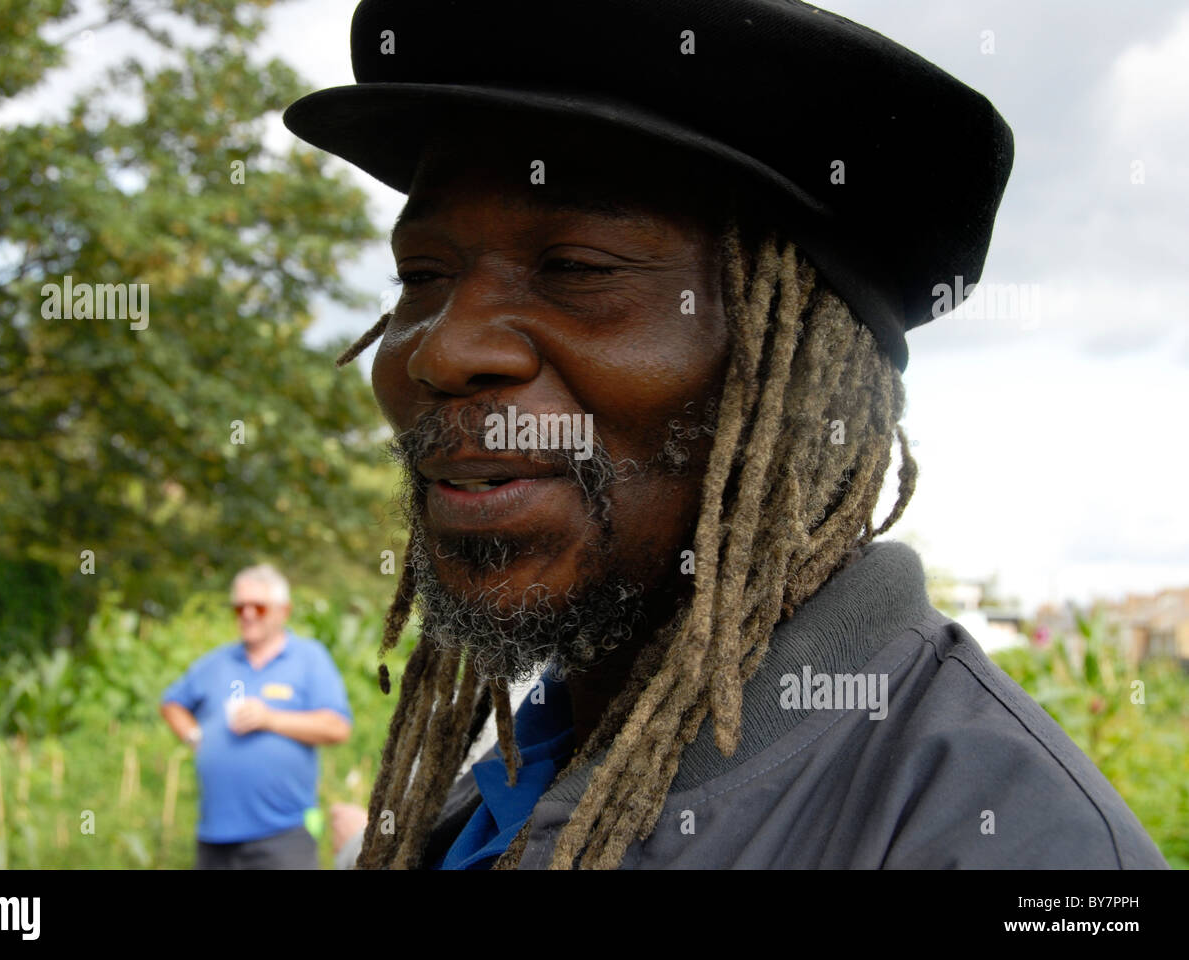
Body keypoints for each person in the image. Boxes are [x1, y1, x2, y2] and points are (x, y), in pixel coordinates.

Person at [281, 0, 1169, 869]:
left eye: (576, 268)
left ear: (798, 369)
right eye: (422, 274)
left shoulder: (1008, 837)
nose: (444, 348)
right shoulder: (502, 790)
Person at [160, 564, 353, 869]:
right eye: (240, 607)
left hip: (283, 834)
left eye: (258, 607)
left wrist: (270, 719)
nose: (248, 614)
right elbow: (171, 703)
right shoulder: (216, 662)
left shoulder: (309, 658)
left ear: (283, 611)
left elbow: (337, 727)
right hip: (214, 835)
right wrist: (194, 737)